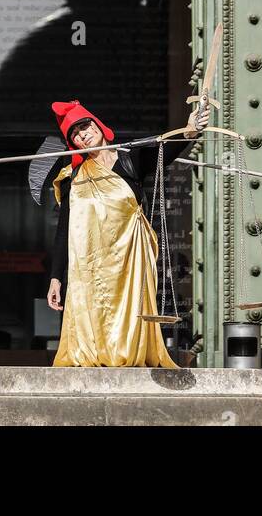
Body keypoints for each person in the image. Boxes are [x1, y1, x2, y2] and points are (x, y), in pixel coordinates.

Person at [46, 98, 208, 367]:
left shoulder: (131, 158)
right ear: (73, 143)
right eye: (74, 134)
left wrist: (189, 130)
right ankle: (93, 357)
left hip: (129, 258)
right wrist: (55, 277)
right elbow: (65, 228)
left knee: (130, 311)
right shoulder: (72, 176)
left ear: (98, 124)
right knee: (92, 312)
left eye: (84, 126)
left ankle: (129, 357)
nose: (82, 134)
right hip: (90, 263)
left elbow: (165, 152)